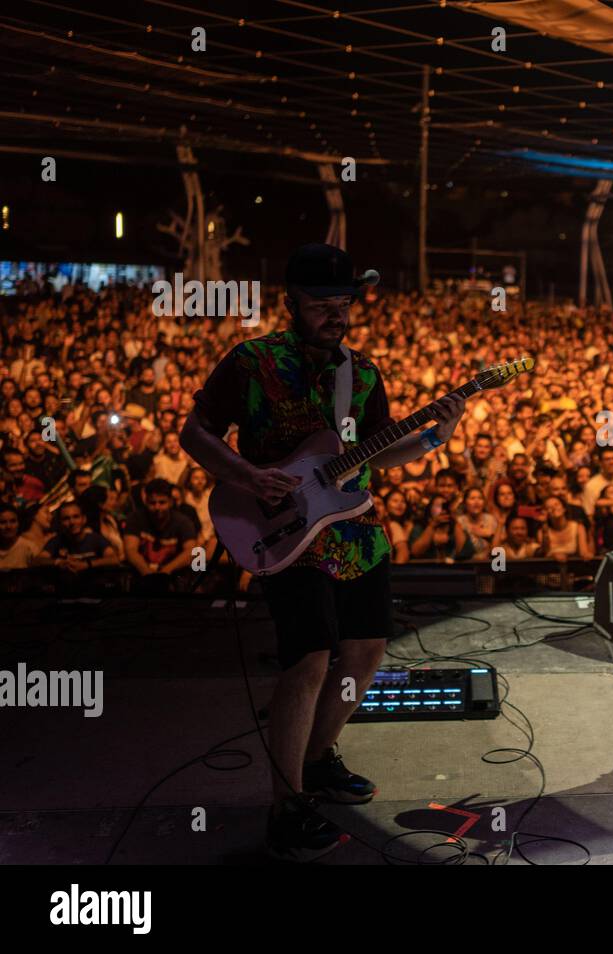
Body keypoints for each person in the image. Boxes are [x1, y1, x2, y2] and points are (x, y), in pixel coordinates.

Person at [180, 244, 467, 862]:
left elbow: (371, 452)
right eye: (321, 305)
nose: (336, 315)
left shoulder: (360, 373)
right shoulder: (252, 362)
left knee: (365, 653)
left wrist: (432, 439)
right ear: (291, 302)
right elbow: (195, 432)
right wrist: (246, 475)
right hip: (283, 531)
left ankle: (318, 759)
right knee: (308, 660)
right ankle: (285, 806)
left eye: (344, 303)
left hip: (354, 527)